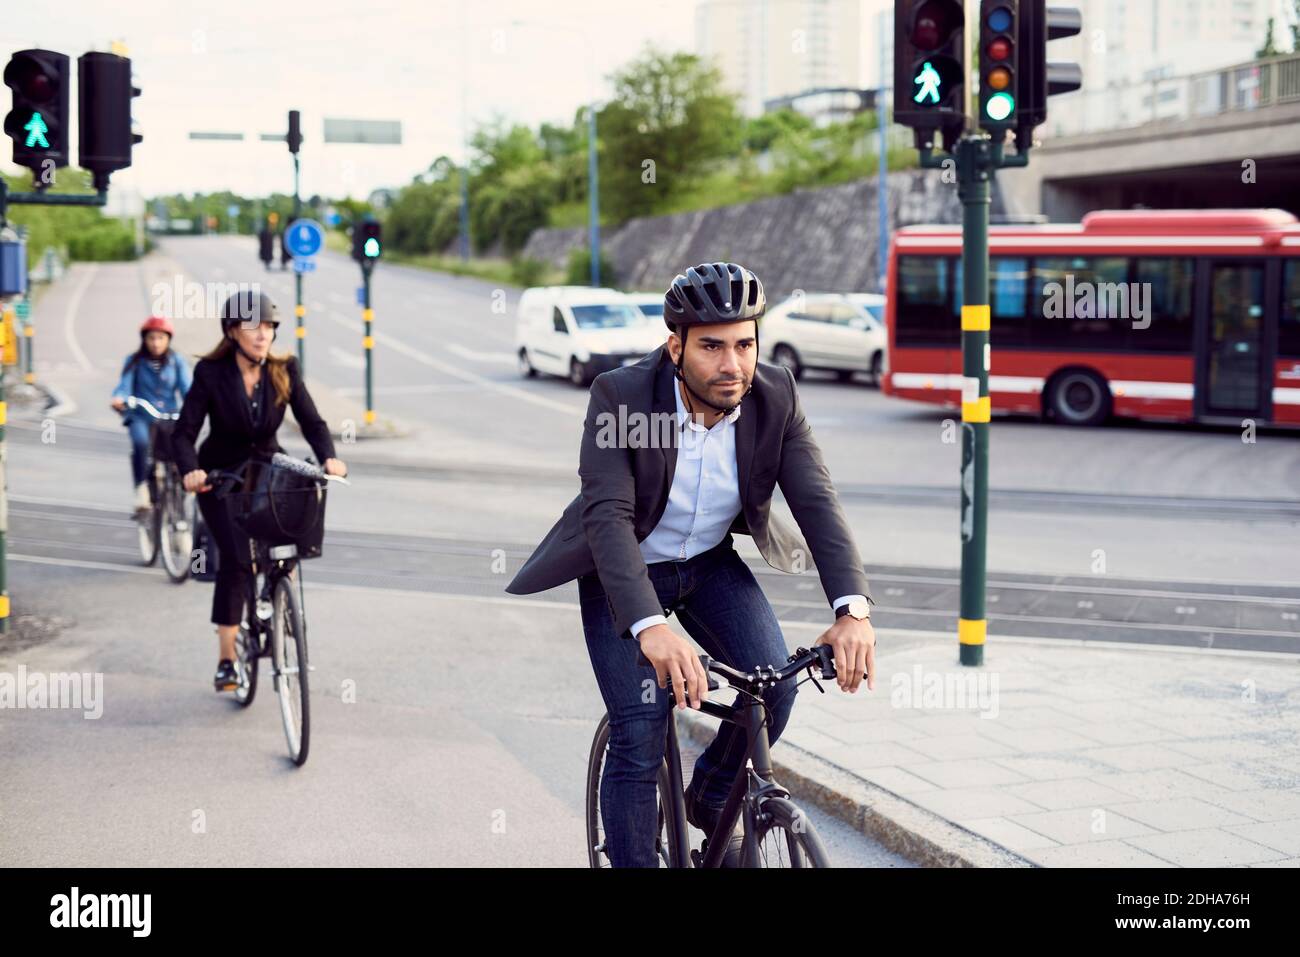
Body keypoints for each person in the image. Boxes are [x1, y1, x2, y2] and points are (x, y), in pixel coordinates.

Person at [506, 261, 876, 867]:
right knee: (641, 728)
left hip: (708, 565)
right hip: (621, 573)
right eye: (711, 346)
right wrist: (651, 628)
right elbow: (608, 519)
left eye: (744, 343)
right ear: (675, 345)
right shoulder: (620, 396)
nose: (732, 365)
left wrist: (852, 610)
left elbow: (817, 502)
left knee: (774, 690)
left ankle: (707, 797)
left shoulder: (775, 395)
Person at [171, 291, 347, 693]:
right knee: (235, 560)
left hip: (268, 472)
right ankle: (227, 659)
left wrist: (329, 458)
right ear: (233, 331)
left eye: (269, 326)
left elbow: (313, 421)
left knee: (290, 537)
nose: (262, 334)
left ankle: (279, 599)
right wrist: (191, 471)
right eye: (253, 326)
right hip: (221, 478)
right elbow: (184, 432)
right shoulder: (211, 374)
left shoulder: (284, 369)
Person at [110, 316, 192, 513]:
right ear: (144, 340)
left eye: (161, 338)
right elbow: (124, 386)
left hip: (169, 416)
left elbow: (188, 389)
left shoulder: (176, 361)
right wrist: (119, 399)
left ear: (168, 339)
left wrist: (197, 404)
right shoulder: (134, 361)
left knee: (182, 448)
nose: (156, 343)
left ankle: (181, 498)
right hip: (142, 415)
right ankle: (141, 488)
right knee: (141, 443)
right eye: (151, 338)